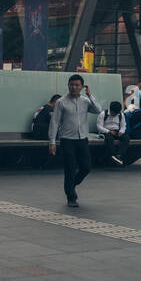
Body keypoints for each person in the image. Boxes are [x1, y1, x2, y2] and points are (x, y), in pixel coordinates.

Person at [48, 75, 103, 207]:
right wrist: (52, 142)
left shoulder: (85, 101)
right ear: (68, 85)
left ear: (82, 87)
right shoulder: (61, 102)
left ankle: (71, 185)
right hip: (67, 140)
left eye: (77, 85)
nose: (74, 87)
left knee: (86, 167)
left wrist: (90, 95)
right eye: (72, 84)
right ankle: (71, 197)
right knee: (70, 168)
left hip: (82, 139)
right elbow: (54, 122)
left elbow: (98, 110)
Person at [97, 100, 130, 165]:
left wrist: (121, 131)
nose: (115, 115)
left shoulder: (120, 115)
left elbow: (123, 126)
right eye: (114, 113)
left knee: (126, 138)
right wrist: (108, 131)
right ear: (111, 110)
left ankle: (119, 155)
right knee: (109, 139)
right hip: (106, 131)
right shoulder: (103, 114)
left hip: (116, 131)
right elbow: (99, 127)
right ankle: (113, 155)